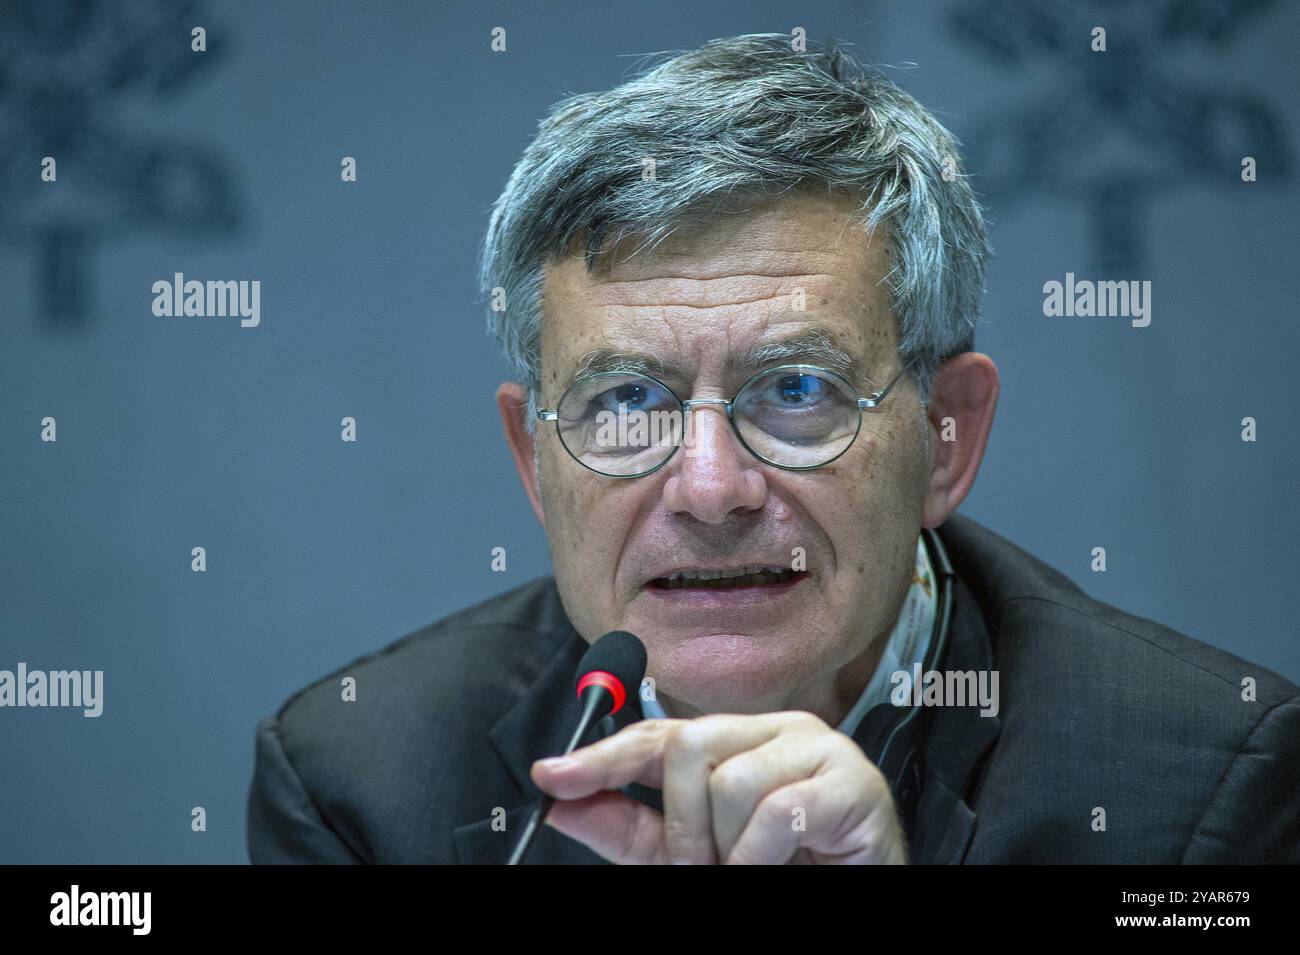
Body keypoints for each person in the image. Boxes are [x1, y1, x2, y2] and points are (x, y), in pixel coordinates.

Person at [246, 34, 1300, 864]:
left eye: (796, 390)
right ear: (534, 458)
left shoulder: (1203, 786)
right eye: (624, 399)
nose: (709, 489)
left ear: (944, 437)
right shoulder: (363, 786)